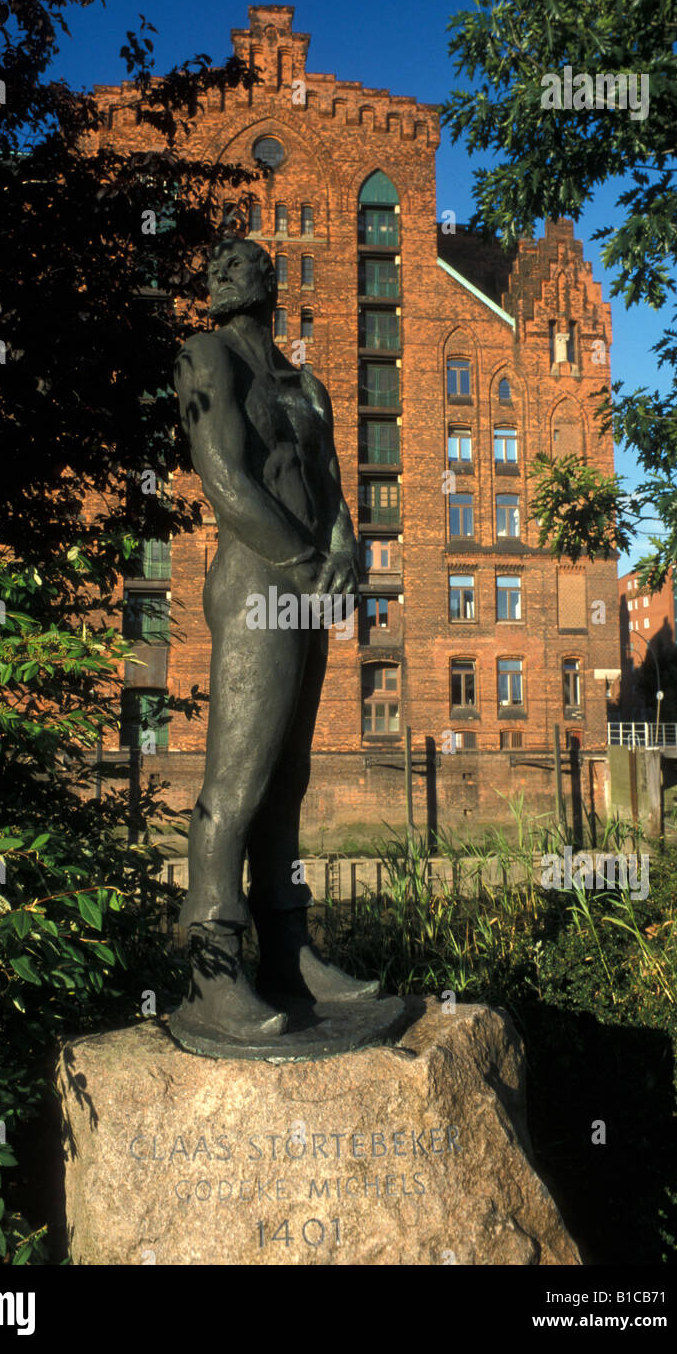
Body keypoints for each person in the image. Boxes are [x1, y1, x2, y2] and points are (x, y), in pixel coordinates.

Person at [172, 237, 378, 1041]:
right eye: (215, 265)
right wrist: (299, 559)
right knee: (238, 778)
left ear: (271, 282)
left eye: (242, 264)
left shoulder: (307, 384)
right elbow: (222, 474)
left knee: (287, 778)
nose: (226, 272)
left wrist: (341, 558)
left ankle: (288, 951)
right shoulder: (204, 356)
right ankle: (211, 973)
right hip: (256, 578)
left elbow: (329, 491)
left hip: (305, 584)